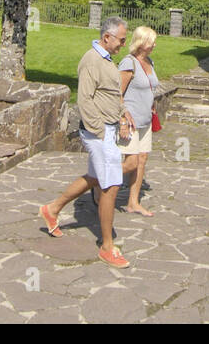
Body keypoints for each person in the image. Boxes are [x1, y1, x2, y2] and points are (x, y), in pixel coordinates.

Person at [39, 16, 135, 268]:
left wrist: (123, 113)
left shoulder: (105, 60)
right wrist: (101, 133)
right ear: (107, 37)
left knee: (95, 178)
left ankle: (53, 209)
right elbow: (85, 101)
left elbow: (110, 94)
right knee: (111, 186)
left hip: (107, 130)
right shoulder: (91, 61)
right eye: (121, 40)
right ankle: (106, 246)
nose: (123, 45)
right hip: (99, 133)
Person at [117, 26, 159, 216]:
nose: (154, 45)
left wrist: (151, 104)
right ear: (142, 43)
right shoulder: (128, 63)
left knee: (142, 160)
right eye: (151, 41)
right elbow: (116, 94)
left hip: (145, 120)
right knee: (131, 163)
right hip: (131, 121)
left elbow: (149, 87)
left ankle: (133, 202)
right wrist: (123, 118)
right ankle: (99, 181)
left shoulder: (149, 61)